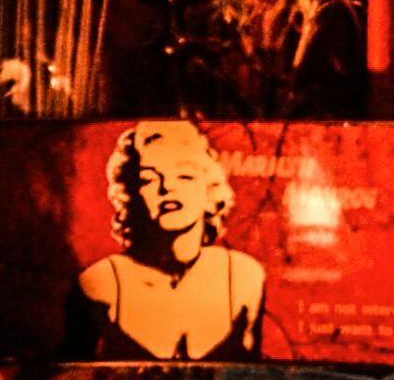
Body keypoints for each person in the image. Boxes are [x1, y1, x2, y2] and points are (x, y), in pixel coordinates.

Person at [64, 117, 269, 363]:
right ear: (131, 196)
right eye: (149, 179)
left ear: (209, 190)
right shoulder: (100, 285)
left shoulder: (245, 278)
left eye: (185, 175)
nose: (167, 187)